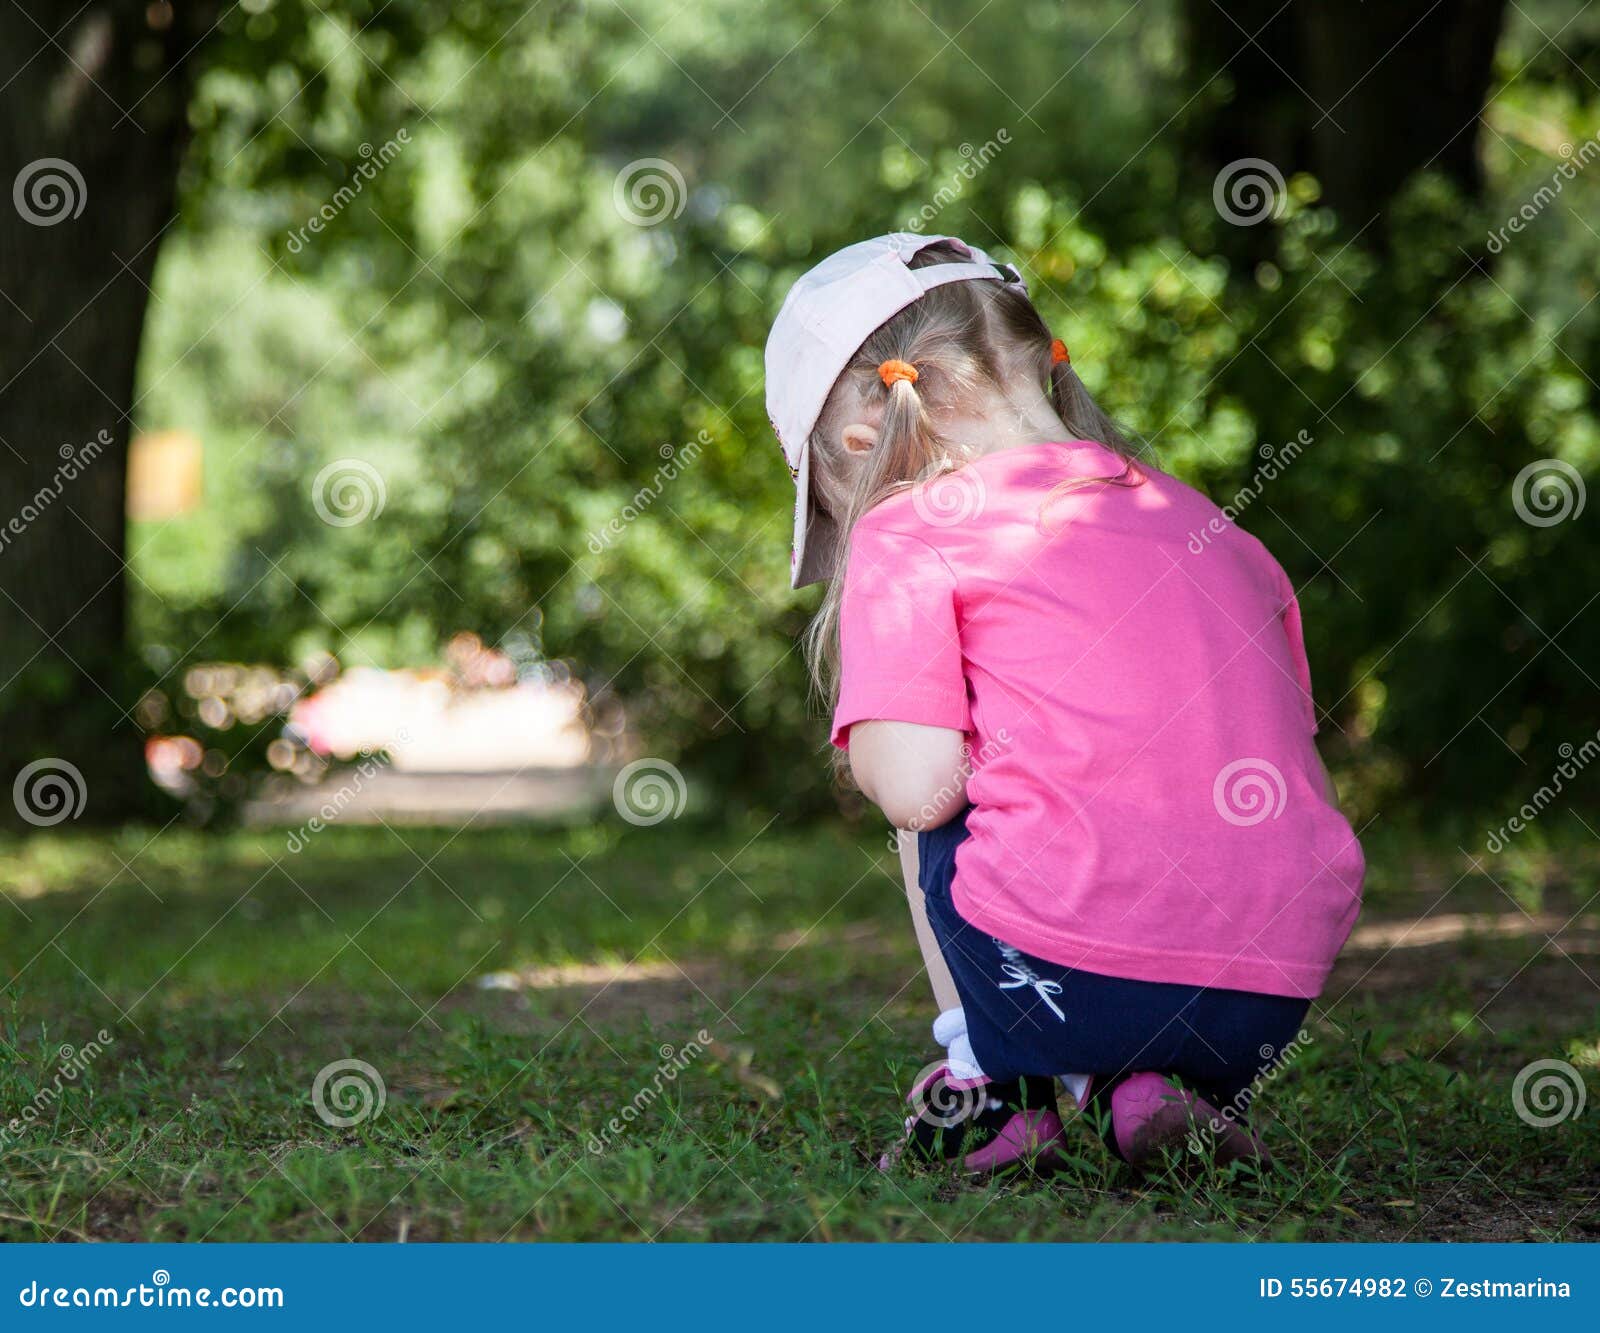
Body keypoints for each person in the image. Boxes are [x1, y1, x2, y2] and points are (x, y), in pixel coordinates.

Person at [763, 233, 1364, 1175]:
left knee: (937, 793)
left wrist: (877, 741)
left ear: (851, 446)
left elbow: (917, 793)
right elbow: (1294, 765)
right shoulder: (1214, 530)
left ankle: (1001, 1091)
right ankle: (1166, 1089)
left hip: (1060, 977)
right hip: (1268, 986)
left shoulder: (907, 530)